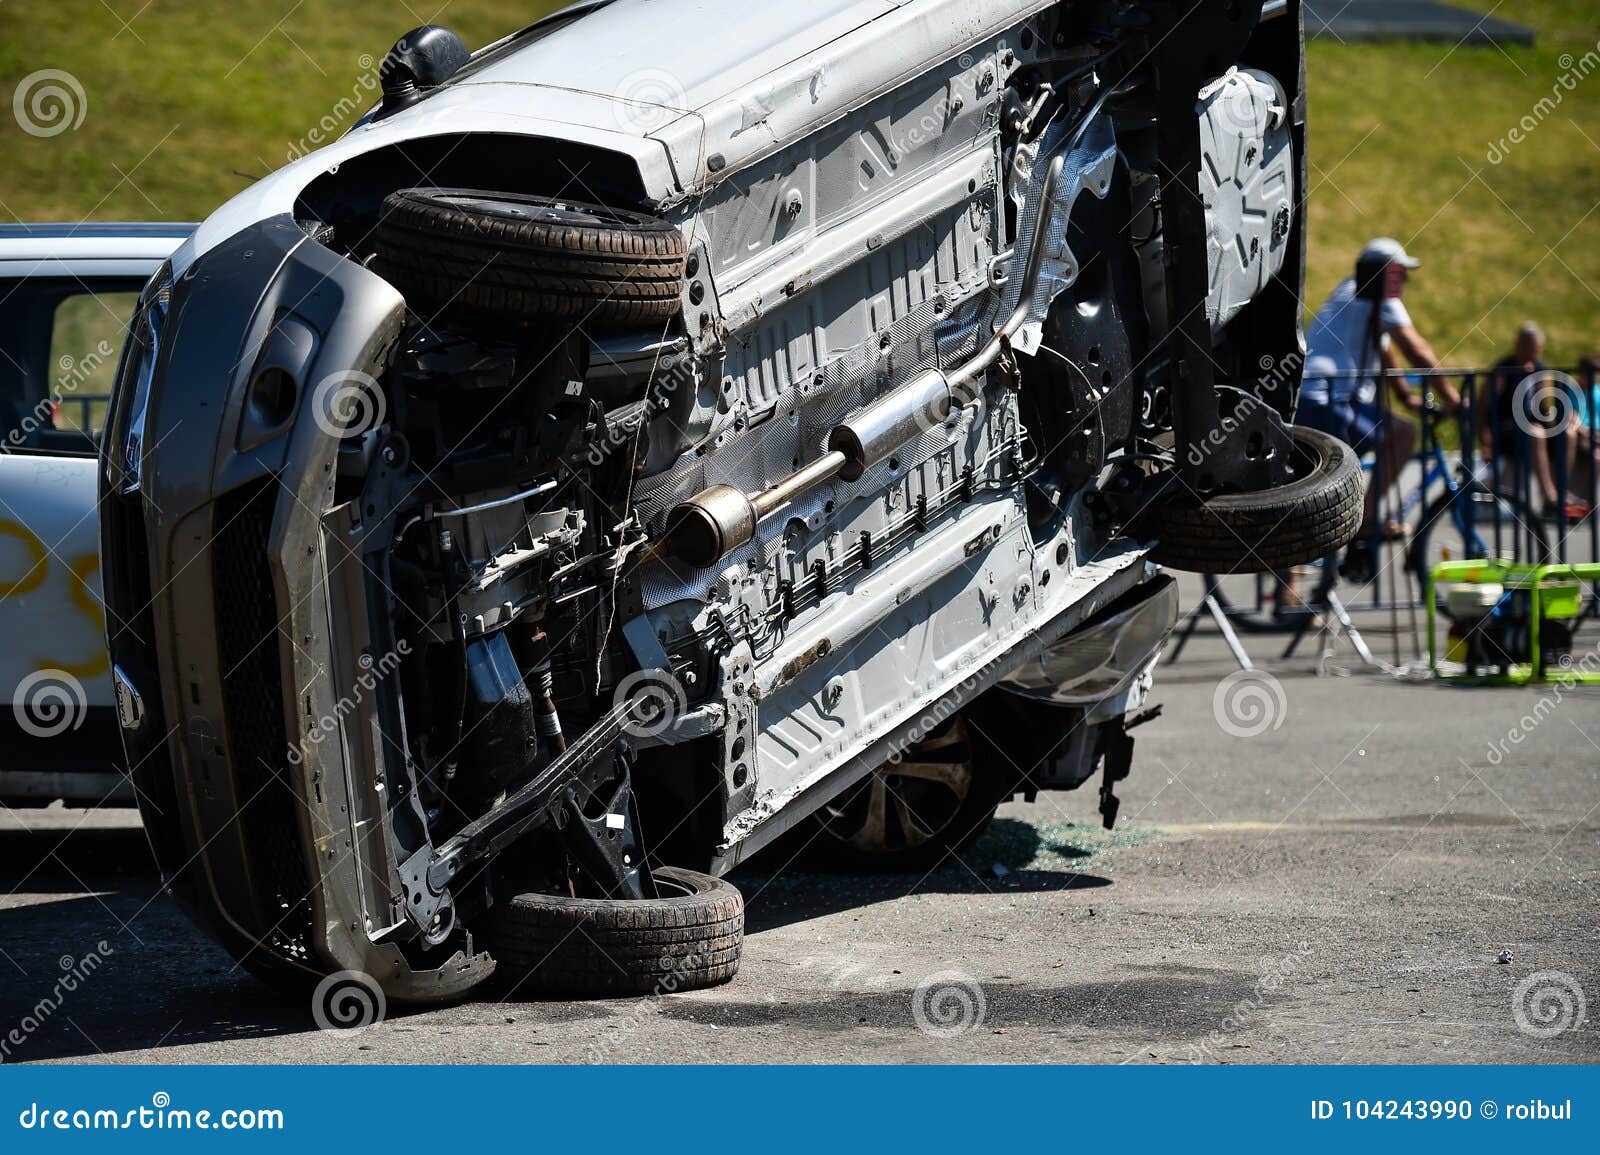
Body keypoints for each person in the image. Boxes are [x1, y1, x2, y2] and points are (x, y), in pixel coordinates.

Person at [1298, 237, 1455, 540]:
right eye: (1400, 273)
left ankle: (1316, 569)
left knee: (1316, 485)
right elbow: (1416, 350)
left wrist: (1405, 397)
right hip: (1328, 398)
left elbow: (1386, 353)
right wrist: (1454, 399)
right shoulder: (1379, 296)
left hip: (1312, 396)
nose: (1404, 281)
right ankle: (1366, 521)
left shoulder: (1352, 291)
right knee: (1402, 434)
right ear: (1385, 272)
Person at [1489, 322, 1576, 518]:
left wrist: (1561, 424)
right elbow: (1485, 406)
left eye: (1536, 349)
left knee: (1567, 434)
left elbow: (1544, 407)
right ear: (1518, 344)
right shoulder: (1504, 368)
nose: (1533, 353)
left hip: (1533, 426)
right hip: (1507, 429)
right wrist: (1484, 438)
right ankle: (1550, 495)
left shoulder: (1538, 368)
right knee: (1535, 432)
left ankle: (1560, 491)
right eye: (1529, 347)